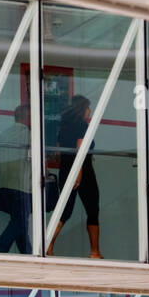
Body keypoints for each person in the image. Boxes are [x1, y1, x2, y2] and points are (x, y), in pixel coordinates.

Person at [47, 95, 102, 258]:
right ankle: (95, 252)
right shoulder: (82, 126)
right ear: (81, 109)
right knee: (92, 210)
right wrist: (78, 174)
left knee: (65, 211)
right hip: (83, 172)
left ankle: (48, 245)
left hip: (65, 170)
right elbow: (80, 150)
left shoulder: (63, 128)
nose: (90, 110)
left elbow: (57, 152)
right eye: (87, 107)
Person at [0, 104, 32, 254]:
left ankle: (27, 253)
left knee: (20, 221)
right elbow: (36, 159)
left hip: (4, 184)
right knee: (20, 220)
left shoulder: (4, 134)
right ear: (26, 117)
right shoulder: (29, 135)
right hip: (21, 185)